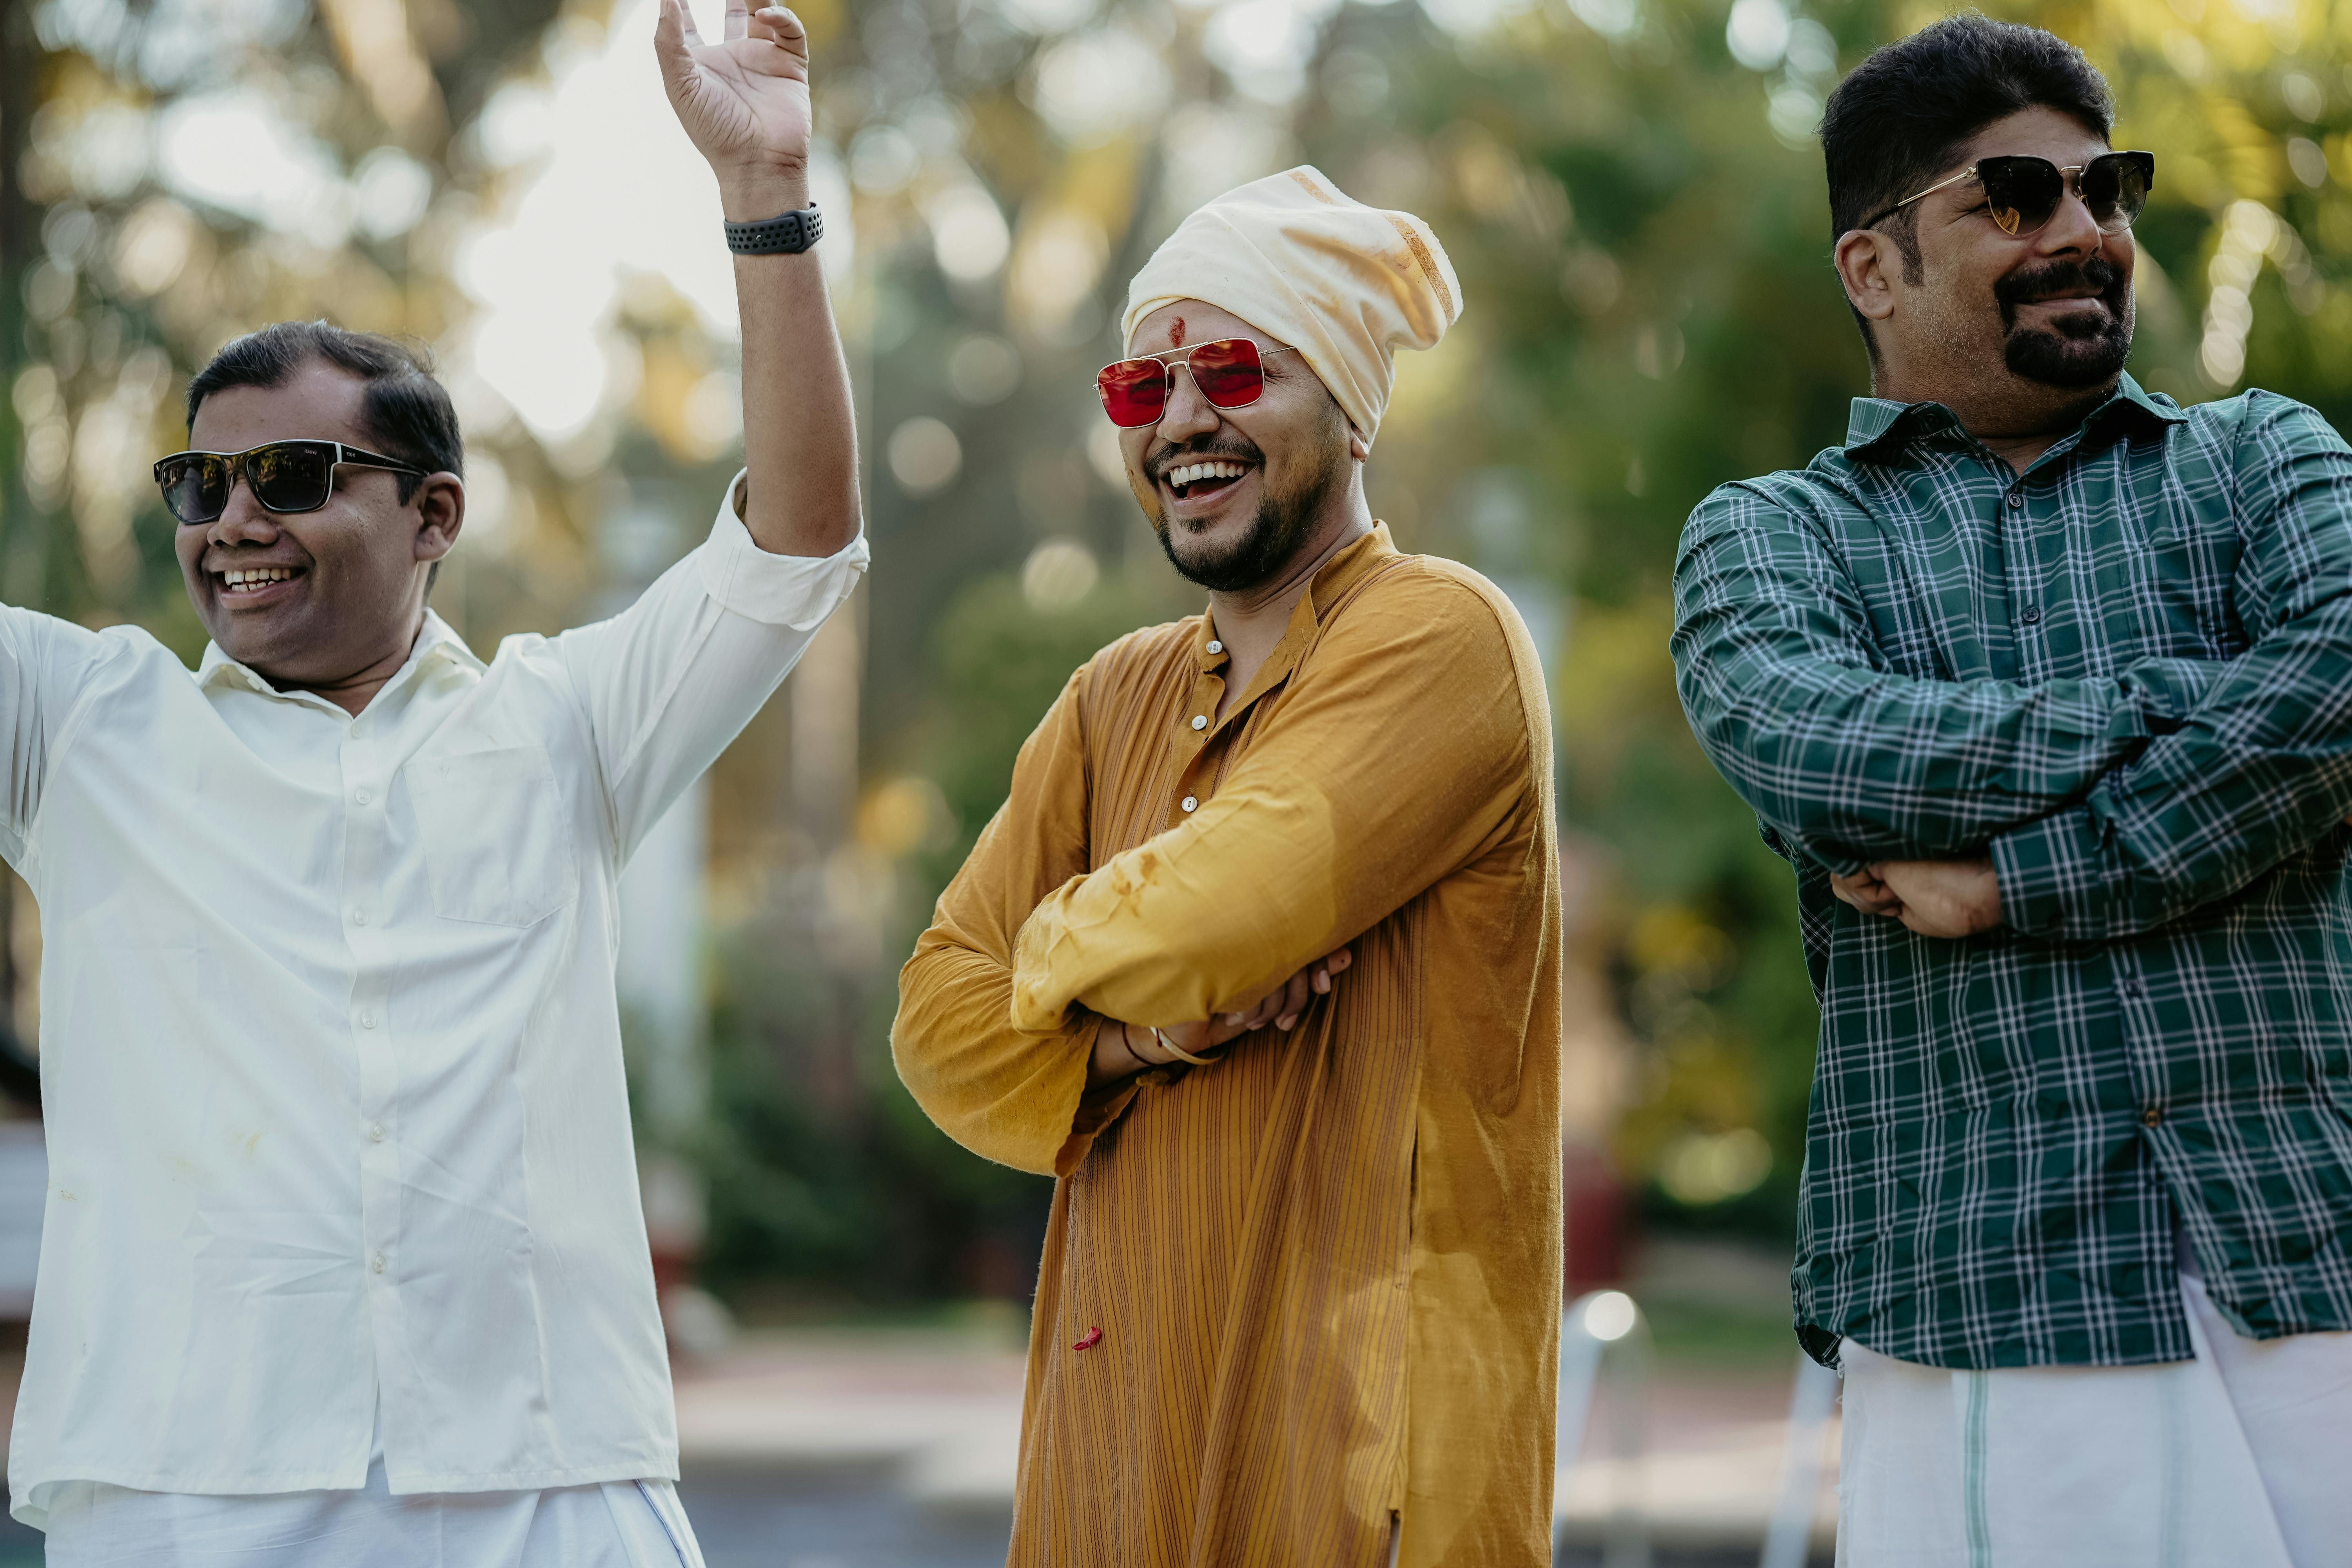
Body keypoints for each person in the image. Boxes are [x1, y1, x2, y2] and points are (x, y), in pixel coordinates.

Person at [0, 3, 862, 1561]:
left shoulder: (562, 724)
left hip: (547, 1483)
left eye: (296, 477)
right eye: (202, 482)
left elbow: (795, 542)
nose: (233, 519)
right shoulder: (77, 723)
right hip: (184, 1490)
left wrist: (765, 192)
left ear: (435, 513)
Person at [1672, 16, 2352, 1564]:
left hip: (2316, 1259)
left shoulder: (2263, 462)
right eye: (2015, 199)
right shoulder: (1776, 541)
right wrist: (2197, 701)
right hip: (1988, 1293)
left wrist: (2018, 879)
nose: (2083, 234)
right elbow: (1816, 746)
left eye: (2103, 192)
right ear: (1874, 269)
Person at [892, 169, 1563, 1567]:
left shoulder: (1442, 638)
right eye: (1145, 387)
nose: (1185, 420)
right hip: (1109, 1467)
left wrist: (1046, 950)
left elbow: (1221, 914)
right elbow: (932, 1031)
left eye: (1236, 369)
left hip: (1365, 1484)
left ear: (1348, 399)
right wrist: (1132, 1040)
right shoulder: (1108, 697)